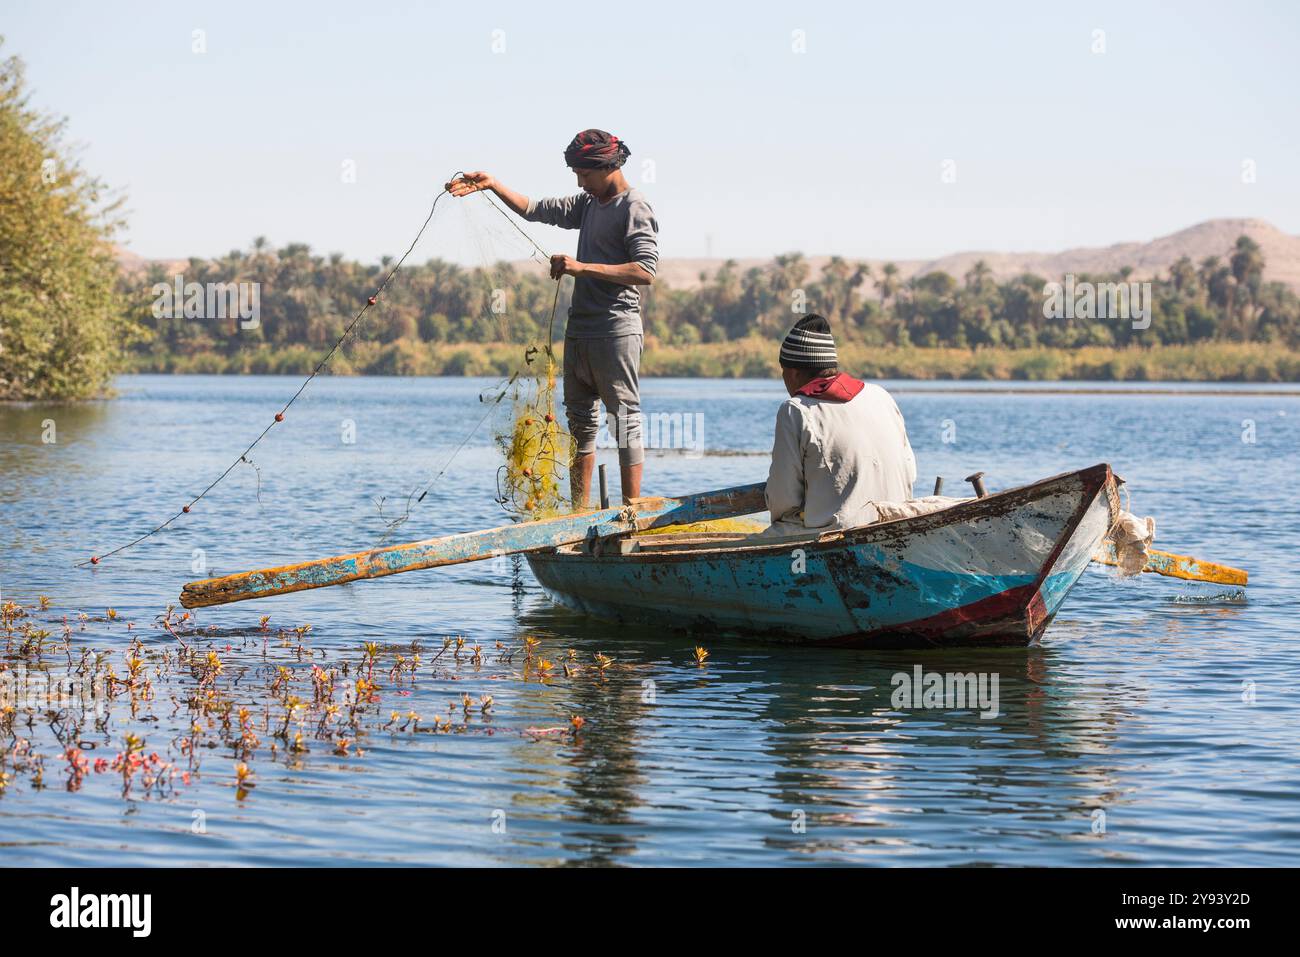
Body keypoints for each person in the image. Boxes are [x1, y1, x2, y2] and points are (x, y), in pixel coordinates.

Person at [445, 129, 658, 507]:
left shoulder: (633, 207)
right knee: (580, 425)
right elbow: (535, 209)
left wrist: (581, 267)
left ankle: (632, 509)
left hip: (615, 331)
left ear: (607, 167)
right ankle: (579, 513)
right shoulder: (589, 203)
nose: (580, 182)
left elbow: (644, 270)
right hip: (580, 331)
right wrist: (492, 185)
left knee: (624, 420)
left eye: (584, 174)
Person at [765, 314, 917, 534]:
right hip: (898, 523)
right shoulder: (881, 396)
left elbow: (784, 499)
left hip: (838, 532)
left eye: (783, 373)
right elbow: (910, 473)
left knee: (771, 533)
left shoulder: (795, 410)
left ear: (794, 373)